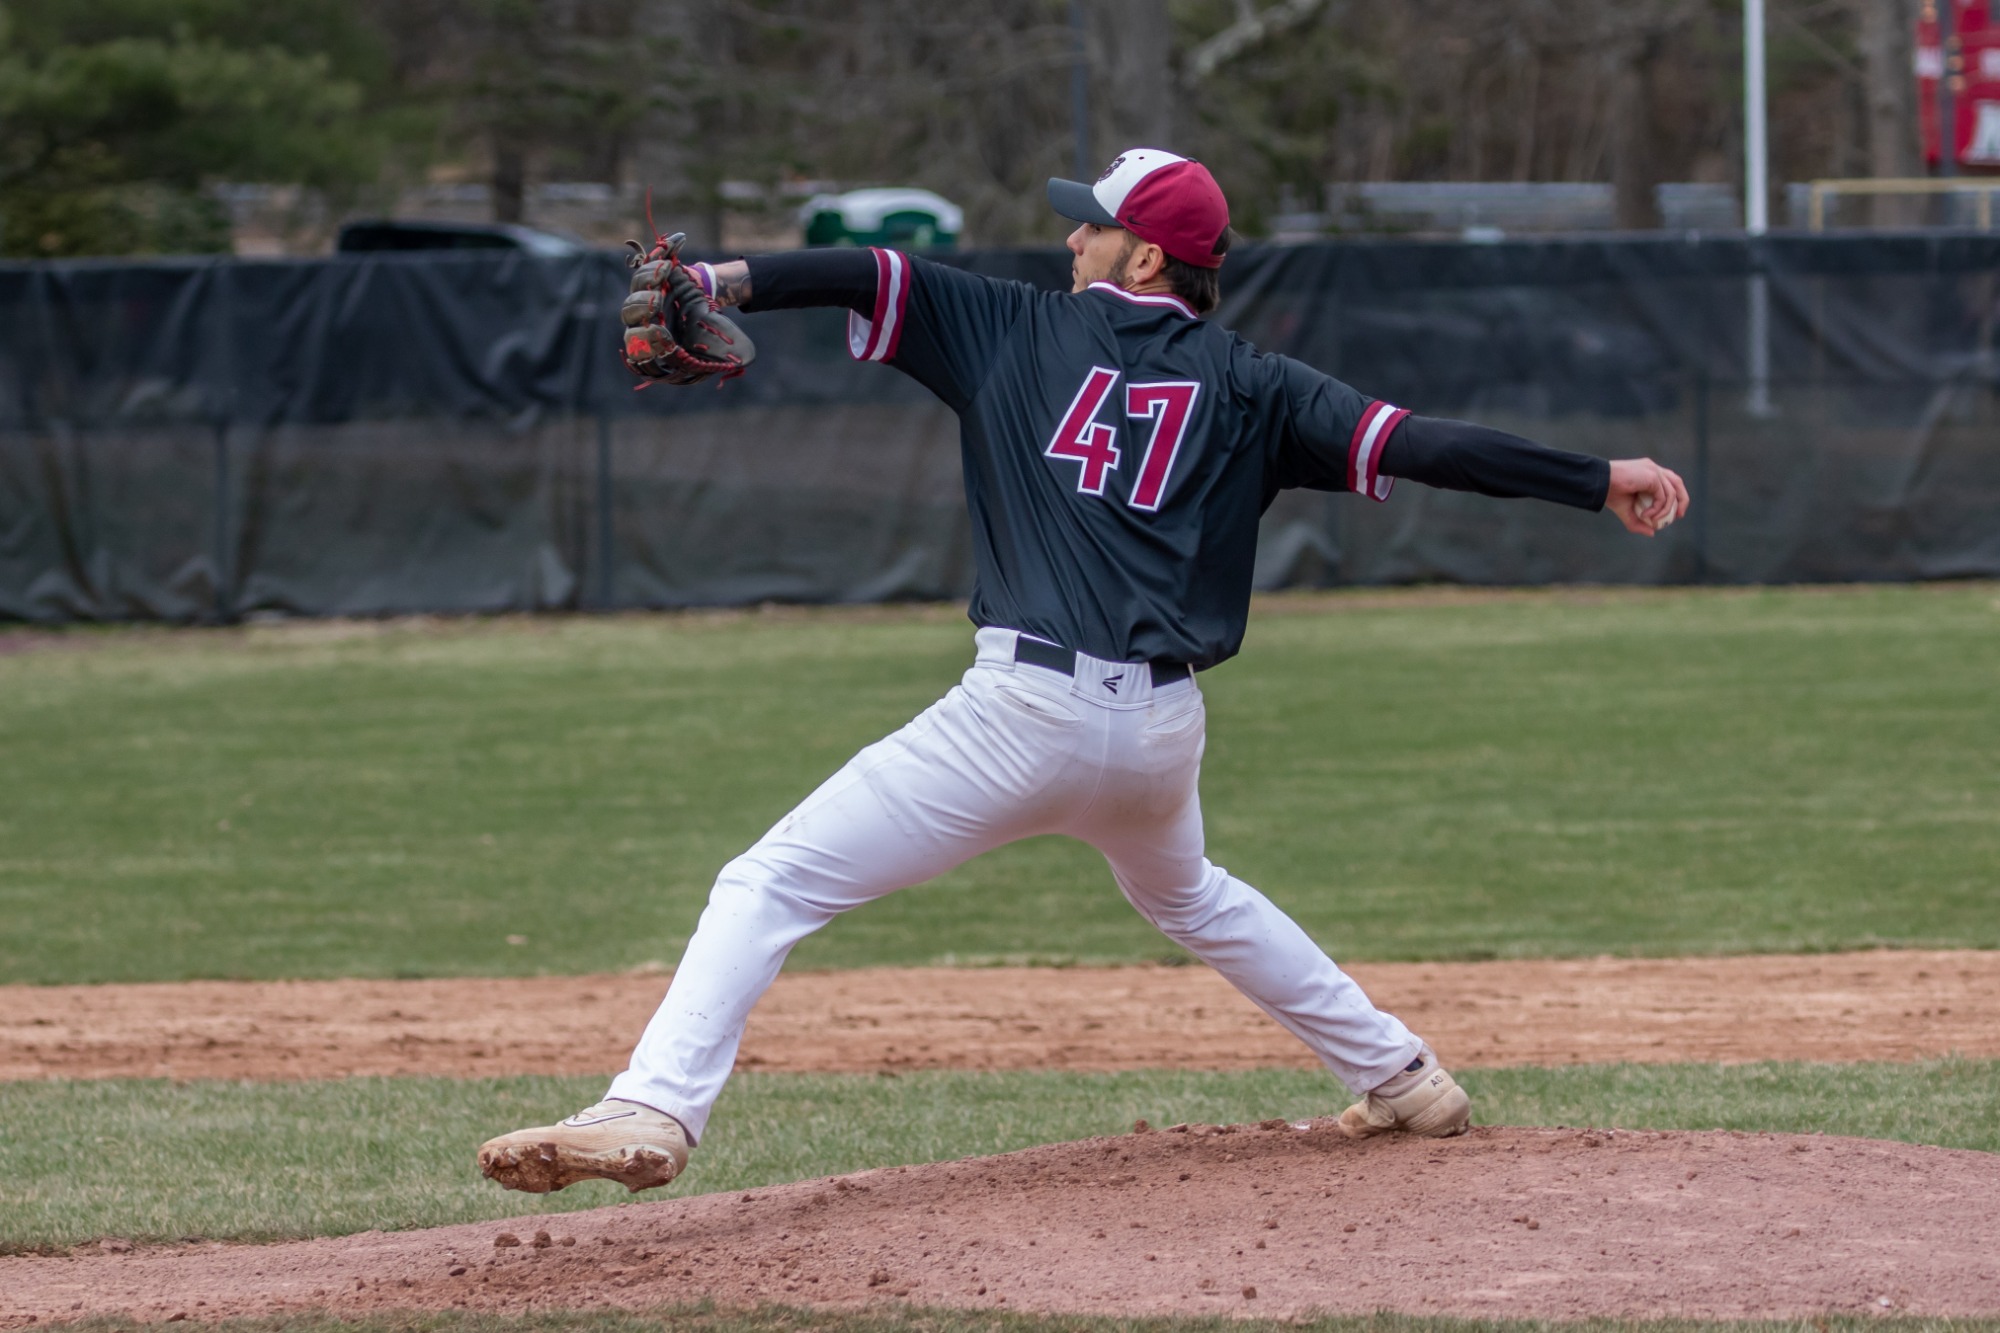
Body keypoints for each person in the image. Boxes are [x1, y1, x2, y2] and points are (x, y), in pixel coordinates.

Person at [477, 149, 1689, 1194]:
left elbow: (863, 275)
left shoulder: (1012, 326)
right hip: (1157, 733)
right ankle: (1399, 1078)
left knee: (767, 882)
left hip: (1019, 713)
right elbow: (1421, 445)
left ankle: (652, 1107)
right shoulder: (1257, 386)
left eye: (1091, 222)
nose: (1069, 236)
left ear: (1147, 259)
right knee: (1188, 895)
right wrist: (1595, 476)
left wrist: (714, 281)